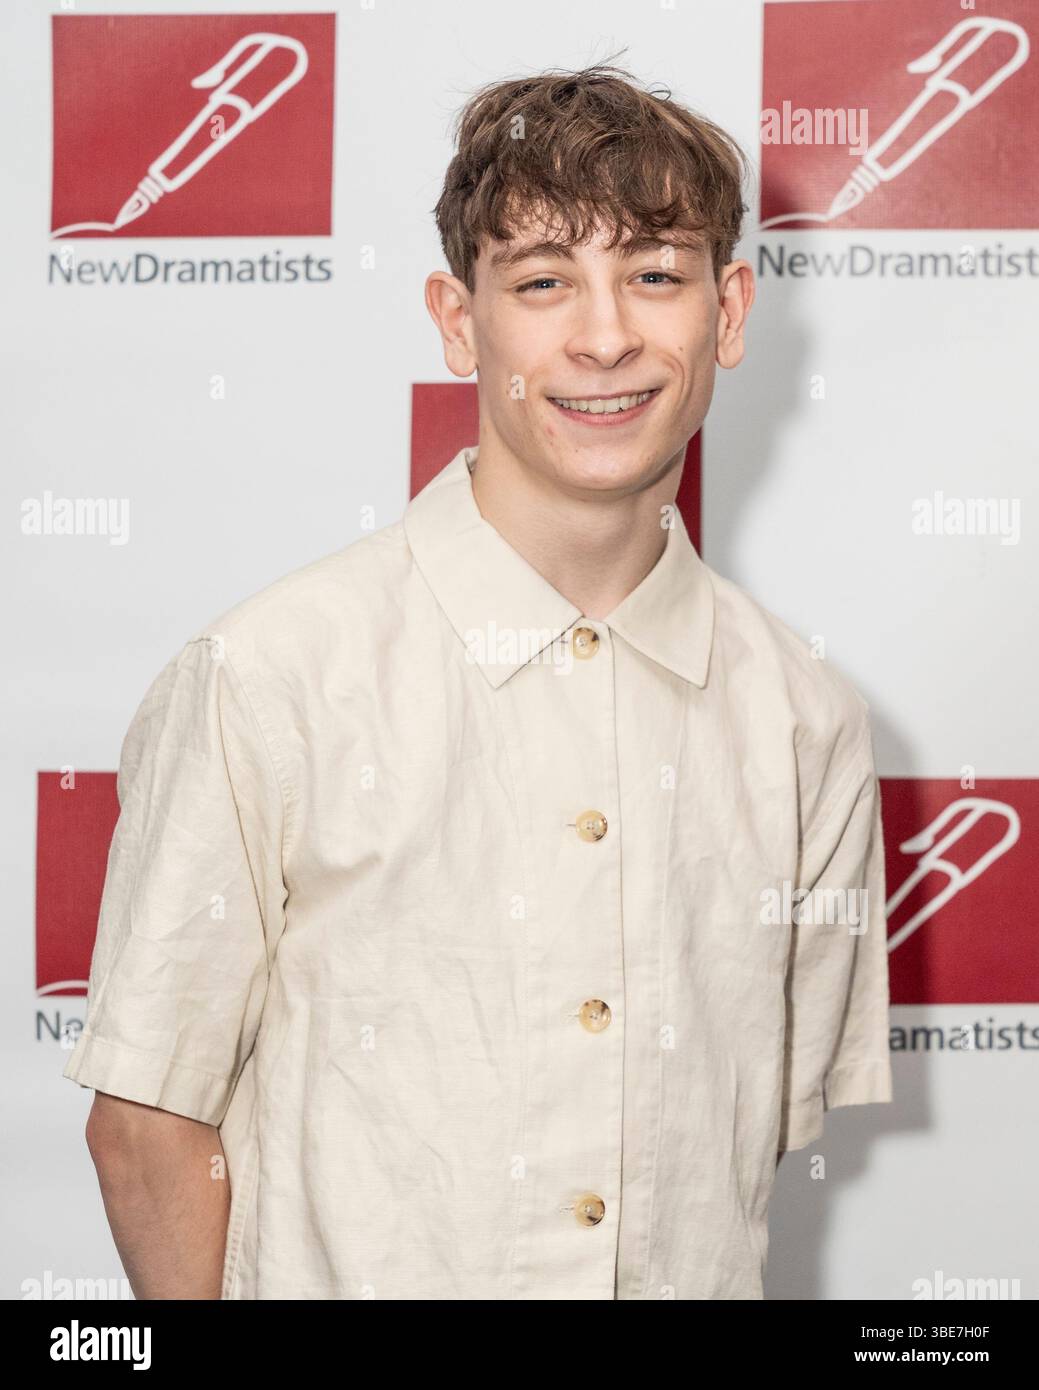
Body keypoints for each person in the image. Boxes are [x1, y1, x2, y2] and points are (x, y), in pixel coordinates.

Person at [64, 59, 892, 1300]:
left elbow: (742, 1139)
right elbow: (145, 1128)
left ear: (727, 312)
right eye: (544, 281)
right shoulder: (271, 674)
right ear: (461, 322)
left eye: (654, 275)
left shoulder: (804, 718)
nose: (605, 334)